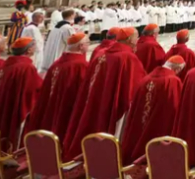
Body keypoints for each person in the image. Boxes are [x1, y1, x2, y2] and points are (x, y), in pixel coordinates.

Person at [64, 27, 146, 159]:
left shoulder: (101, 53)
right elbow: (137, 85)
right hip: (113, 103)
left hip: (95, 99)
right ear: (130, 39)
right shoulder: (127, 57)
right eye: (136, 37)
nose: (138, 40)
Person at [120, 56, 185, 164]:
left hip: (139, 128)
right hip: (159, 131)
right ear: (177, 69)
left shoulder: (145, 79)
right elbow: (175, 109)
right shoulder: (173, 81)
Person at [27, 33, 89, 140]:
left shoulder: (56, 63)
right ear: (81, 46)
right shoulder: (81, 65)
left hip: (52, 107)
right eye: (88, 43)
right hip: (69, 109)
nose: (89, 45)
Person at [0, 37, 43, 150]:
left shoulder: (7, 65)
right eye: (33, 46)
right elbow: (34, 89)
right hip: (18, 105)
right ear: (28, 50)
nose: (35, 48)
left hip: (6, 101)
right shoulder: (27, 67)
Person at [40, 9, 76, 73]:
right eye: (74, 14)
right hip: (60, 50)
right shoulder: (67, 27)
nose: (75, 15)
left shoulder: (57, 26)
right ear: (71, 16)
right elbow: (72, 41)